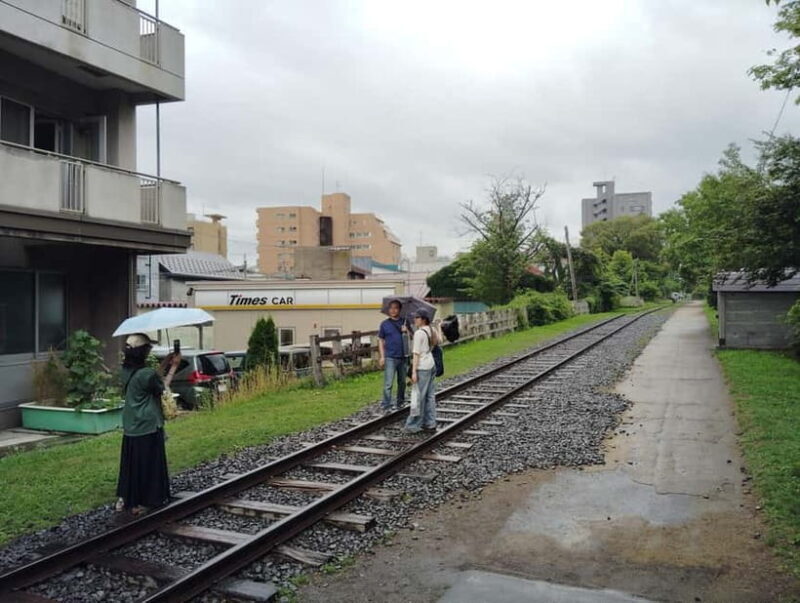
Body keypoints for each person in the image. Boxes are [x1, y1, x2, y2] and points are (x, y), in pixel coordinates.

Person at [116, 333, 180, 515]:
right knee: (149, 464)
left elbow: (148, 378)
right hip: (148, 425)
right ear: (143, 352)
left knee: (132, 465)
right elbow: (163, 387)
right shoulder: (147, 374)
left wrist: (165, 362)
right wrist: (173, 367)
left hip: (131, 425)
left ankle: (127, 499)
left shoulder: (126, 371)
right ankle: (148, 500)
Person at [405, 309, 438, 433]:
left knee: (418, 397)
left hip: (422, 367)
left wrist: (413, 372)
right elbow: (436, 342)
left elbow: (416, 354)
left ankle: (413, 424)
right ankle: (430, 422)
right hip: (431, 364)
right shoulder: (431, 330)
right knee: (429, 396)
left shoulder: (419, 333)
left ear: (423, 319)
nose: (414, 319)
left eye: (417, 317)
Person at [378, 300, 408, 413]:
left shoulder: (405, 323)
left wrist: (406, 331)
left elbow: (412, 337)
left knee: (402, 382)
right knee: (388, 383)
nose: (393, 310)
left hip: (403, 356)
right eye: (391, 308)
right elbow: (381, 340)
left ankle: (400, 401)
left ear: (400, 310)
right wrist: (382, 356)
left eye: (396, 308)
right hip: (390, 356)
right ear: (388, 310)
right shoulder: (384, 324)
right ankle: (386, 404)